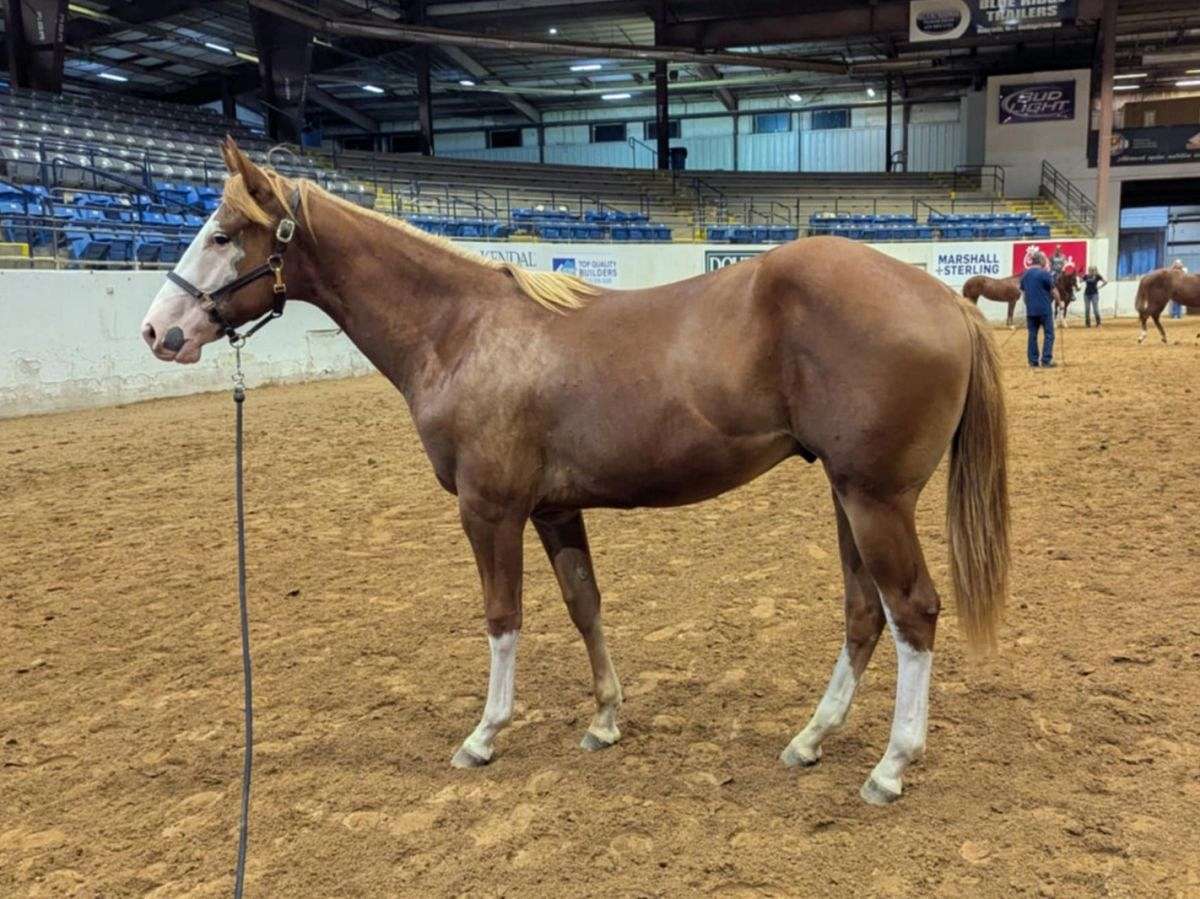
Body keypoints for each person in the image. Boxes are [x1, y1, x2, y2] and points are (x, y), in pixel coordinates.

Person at [1021, 251, 1056, 368]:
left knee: (1032, 335)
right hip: (1045, 310)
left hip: (1031, 311)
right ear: (1041, 261)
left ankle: (1033, 361)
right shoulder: (1044, 274)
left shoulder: (1025, 275)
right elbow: (1053, 290)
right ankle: (1046, 360)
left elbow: (1024, 294)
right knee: (1049, 334)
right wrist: (1060, 302)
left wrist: (1029, 305)